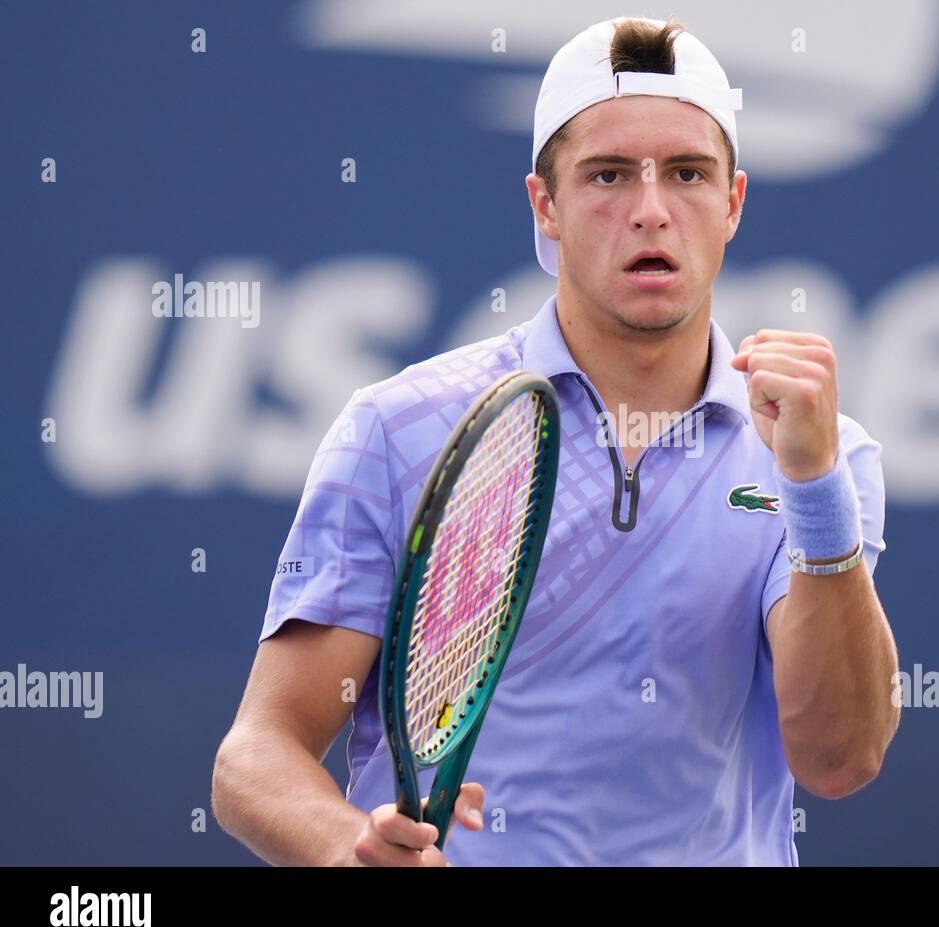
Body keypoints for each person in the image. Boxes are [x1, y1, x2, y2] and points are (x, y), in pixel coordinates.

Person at [212, 15, 899, 867]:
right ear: (547, 206)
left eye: (688, 173)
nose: (651, 211)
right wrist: (350, 847)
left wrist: (814, 490)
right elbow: (256, 755)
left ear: (732, 203)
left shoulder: (823, 459)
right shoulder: (399, 428)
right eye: (608, 175)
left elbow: (839, 758)